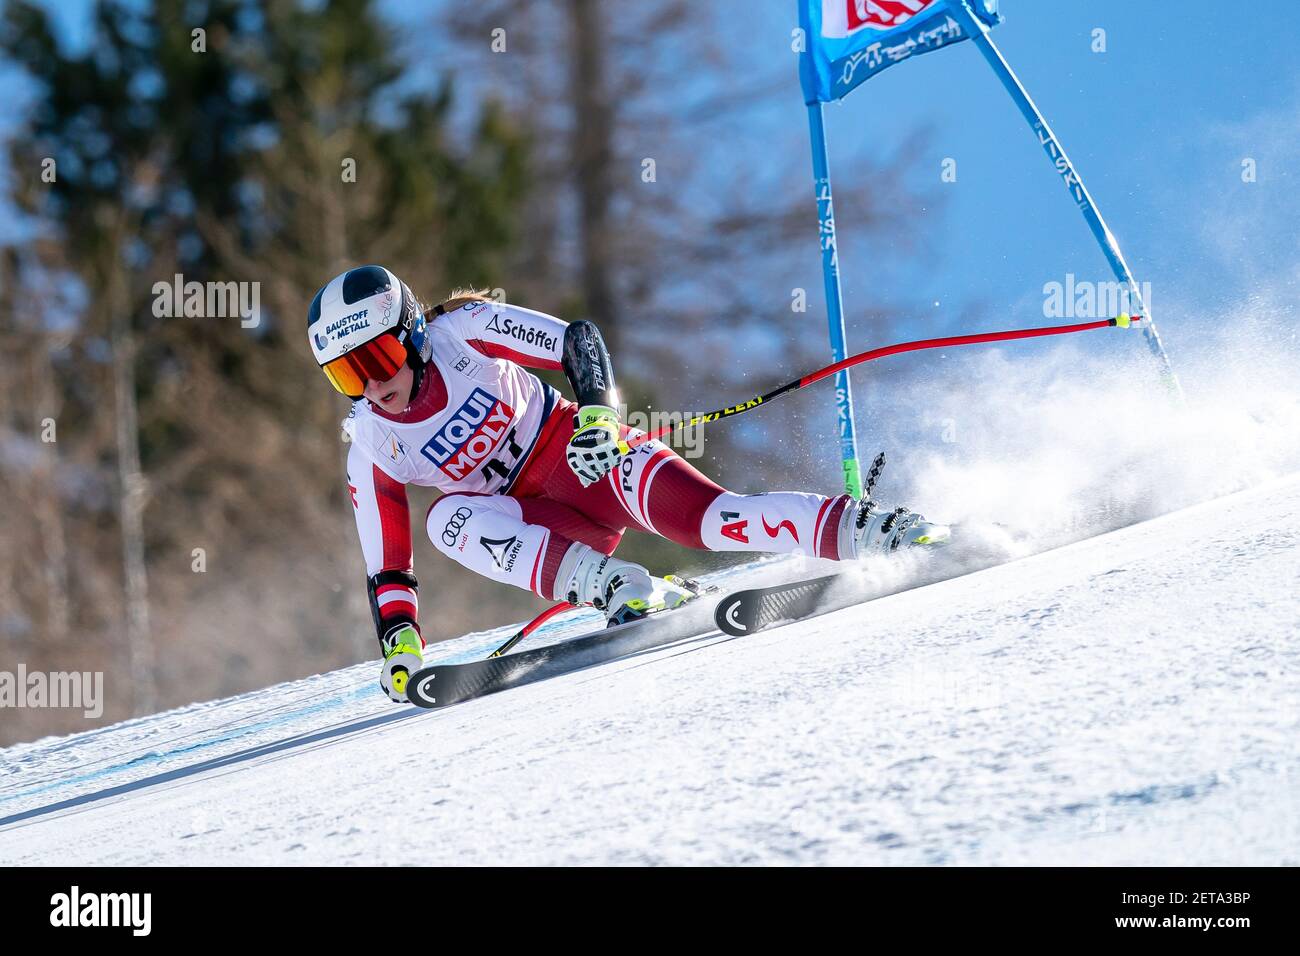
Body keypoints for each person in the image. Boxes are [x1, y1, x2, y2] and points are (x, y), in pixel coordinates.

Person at [307, 265, 947, 702]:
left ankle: (873, 529)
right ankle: (620, 588)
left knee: (713, 522)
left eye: (379, 358)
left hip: (583, 458)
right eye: (346, 375)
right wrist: (401, 644)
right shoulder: (371, 443)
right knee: (447, 521)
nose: (372, 385)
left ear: (414, 334)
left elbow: (575, 341)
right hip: (542, 524)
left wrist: (597, 418)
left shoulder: (463, 332)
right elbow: (388, 566)